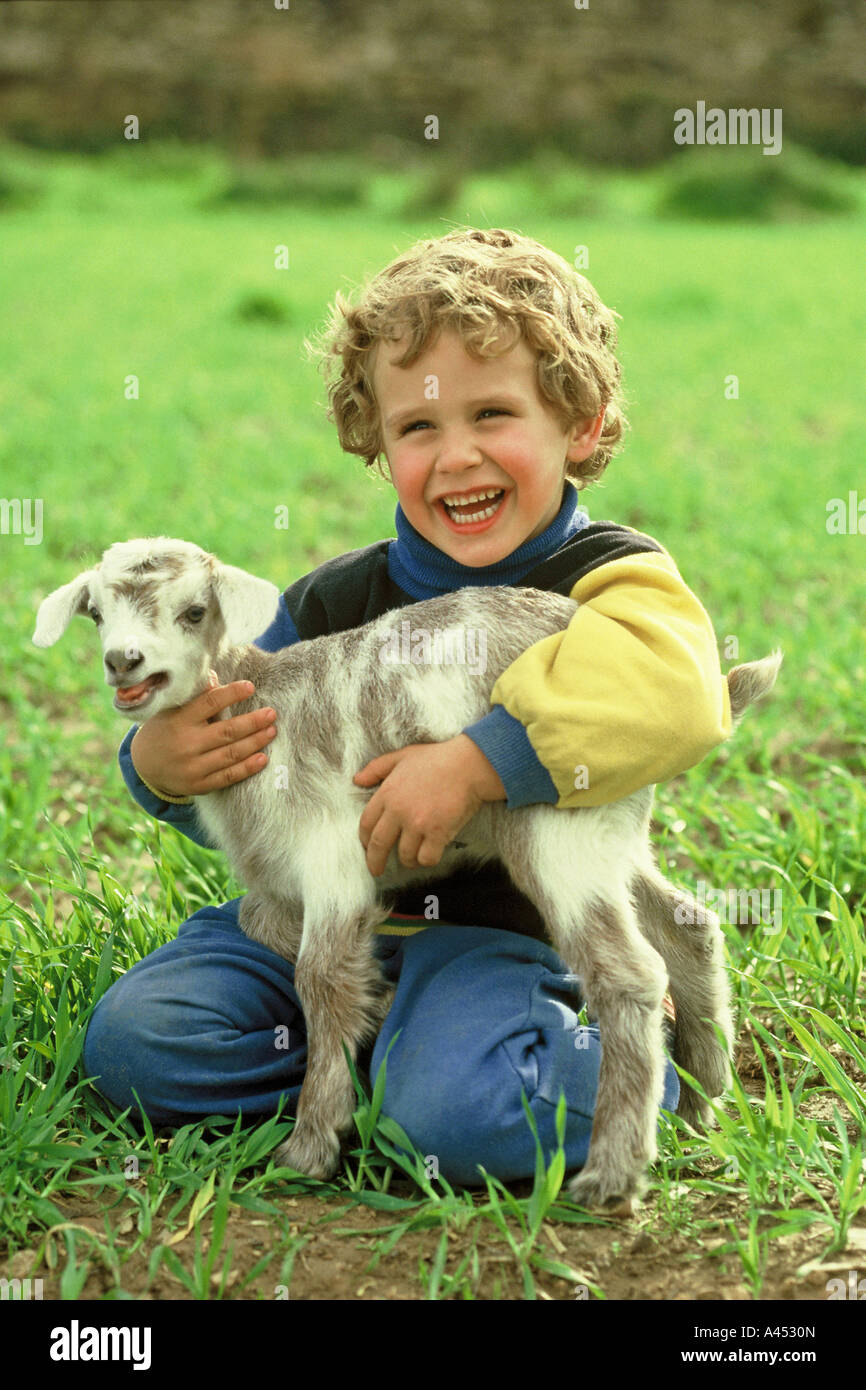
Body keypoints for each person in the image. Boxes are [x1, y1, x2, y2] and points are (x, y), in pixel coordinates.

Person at [83, 228, 731, 1186]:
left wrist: (476, 765)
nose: (458, 456)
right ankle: (382, 1062)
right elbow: (262, 780)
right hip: (317, 929)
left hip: (506, 939)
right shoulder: (330, 607)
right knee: (140, 1044)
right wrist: (163, 770)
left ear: (581, 425)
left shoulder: (609, 580)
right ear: (376, 443)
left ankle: (598, 1057)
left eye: (494, 414)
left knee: (467, 1116)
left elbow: (677, 691)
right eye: (418, 428)